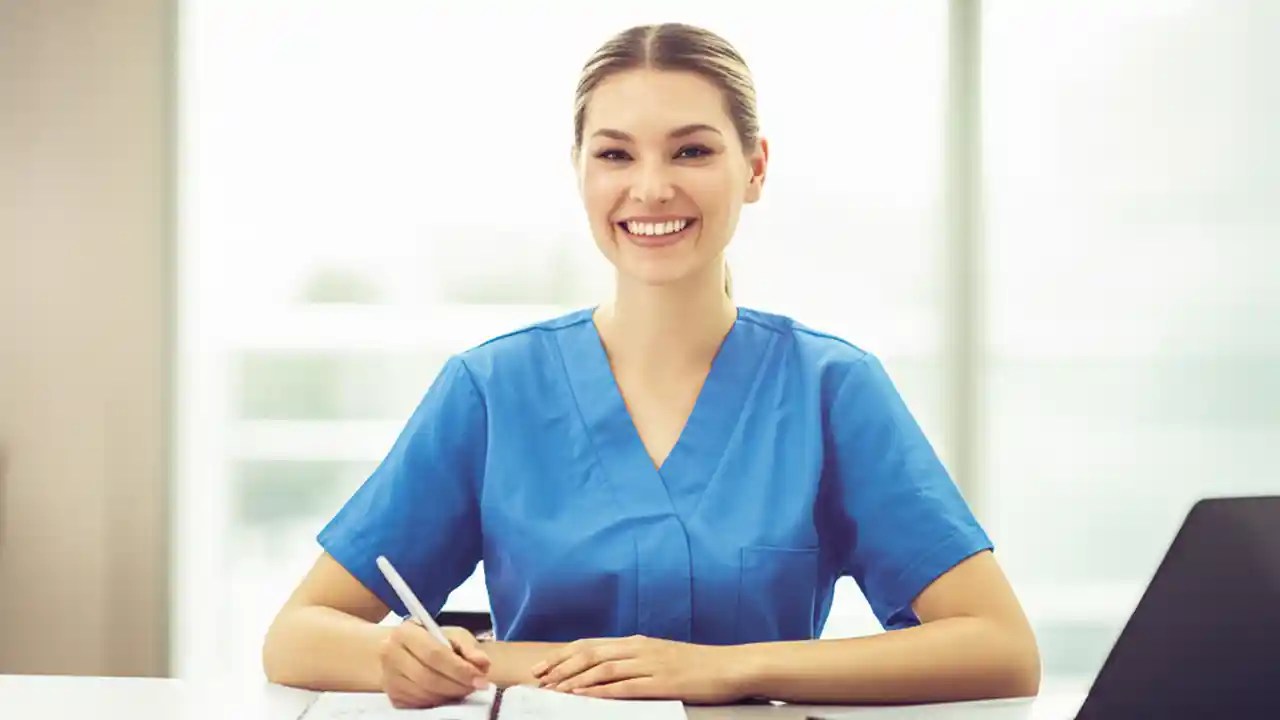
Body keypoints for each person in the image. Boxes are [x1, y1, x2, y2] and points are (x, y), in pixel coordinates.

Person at [262, 22, 1041, 709]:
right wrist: (418, 661)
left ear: (756, 167)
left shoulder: (832, 390)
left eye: (692, 150)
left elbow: (1000, 650)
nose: (651, 186)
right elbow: (298, 635)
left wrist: (724, 670)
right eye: (615, 154)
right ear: (582, 172)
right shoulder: (493, 390)